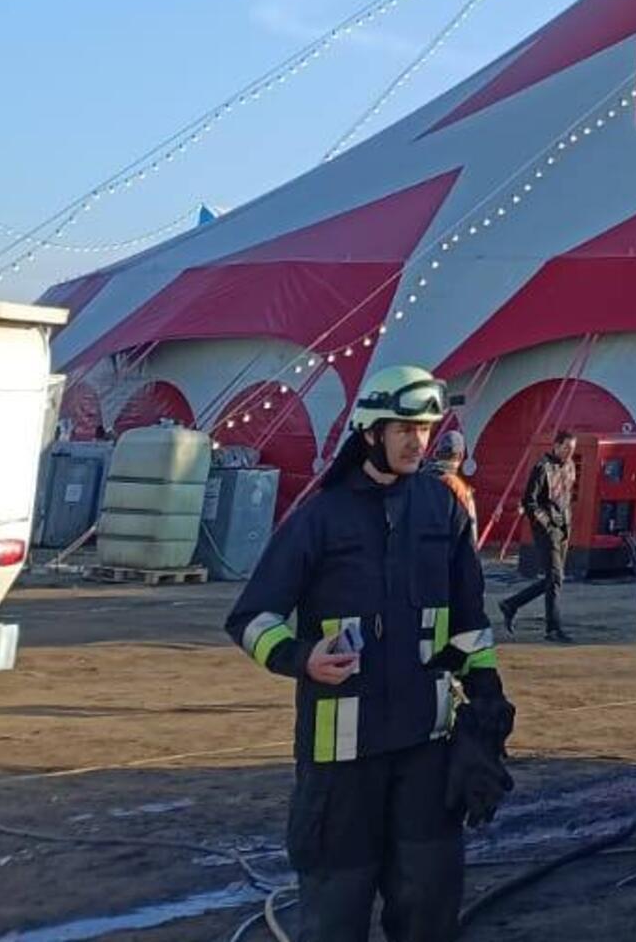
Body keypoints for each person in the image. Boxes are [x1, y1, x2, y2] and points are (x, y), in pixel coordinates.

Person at [225, 365, 512, 942]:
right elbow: (251, 618)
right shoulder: (320, 518)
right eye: (404, 427)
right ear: (369, 432)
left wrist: (486, 692)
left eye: (426, 428)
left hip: (426, 752)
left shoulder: (443, 510)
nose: (418, 441)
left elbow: (470, 622)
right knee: (337, 912)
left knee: (430, 904)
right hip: (342, 759)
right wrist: (299, 657)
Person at [500, 430, 576, 642]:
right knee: (555, 578)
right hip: (547, 529)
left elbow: (567, 496)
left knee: (554, 579)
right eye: (566, 449)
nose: (569, 453)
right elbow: (529, 502)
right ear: (556, 445)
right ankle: (553, 628)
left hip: (563, 527)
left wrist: (566, 523)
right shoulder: (542, 468)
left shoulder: (569, 466)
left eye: (572, 450)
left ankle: (511, 604)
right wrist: (547, 524)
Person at [424, 430, 477, 538]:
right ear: (461, 456)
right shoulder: (458, 488)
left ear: (437, 452)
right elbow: (469, 530)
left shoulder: (418, 479)